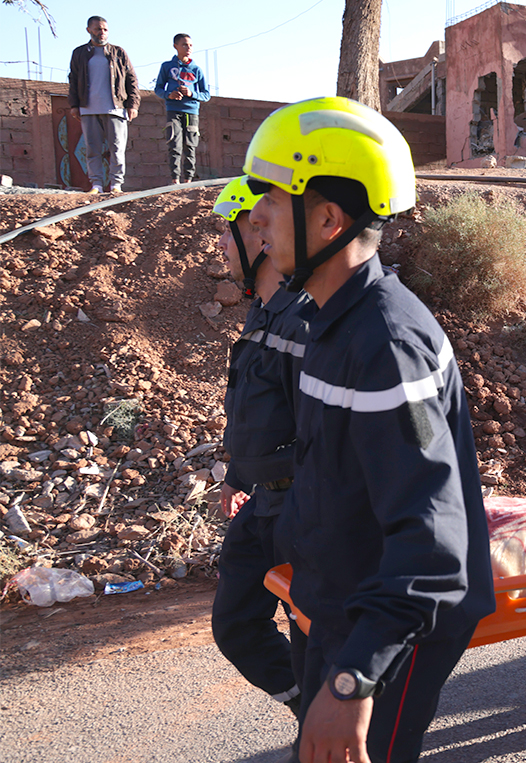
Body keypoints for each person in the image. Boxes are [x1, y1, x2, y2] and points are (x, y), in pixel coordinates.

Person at [246, 96, 495, 763]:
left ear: (329, 219)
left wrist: (355, 676)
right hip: (341, 601)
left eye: (272, 198)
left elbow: (431, 542)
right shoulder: (329, 321)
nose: (255, 215)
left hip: (396, 625)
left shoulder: (386, 343)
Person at [208, 175, 315, 721]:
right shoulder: (264, 312)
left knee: (309, 634)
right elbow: (256, 407)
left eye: (226, 232)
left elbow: (323, 431)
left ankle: (328, 729)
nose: (220, 246)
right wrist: (236, 476)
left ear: (258, 232)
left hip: (301, 509)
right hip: (262, 501)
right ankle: (310, 711)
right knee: (235, 624)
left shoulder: (306, 319)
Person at [66, 16, 138, 194]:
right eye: (98, 29)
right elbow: (73, 80)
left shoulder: (118, 52)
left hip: (116, 108)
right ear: (89, 30)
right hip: (88, 108)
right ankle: (96, 184)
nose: (102, 32)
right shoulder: (79, 53)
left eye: (105, 29)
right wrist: (74, 105)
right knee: (92, 149)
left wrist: (133, 105)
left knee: (117, 148)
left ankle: (116, 185)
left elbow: (132, 79)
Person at [154, 34, 209, 185]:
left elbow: (206, 95)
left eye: (190, 45)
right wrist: (169, 95)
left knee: (190, 146)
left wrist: (191, 94)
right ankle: (175, 180)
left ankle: (188, 180)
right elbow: (158, 88)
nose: (188, 48)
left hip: (191, 112)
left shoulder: (196, 70)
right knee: (174, 144)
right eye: (184, 45)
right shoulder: (167, 66)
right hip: (173, 110)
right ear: (175, 46)